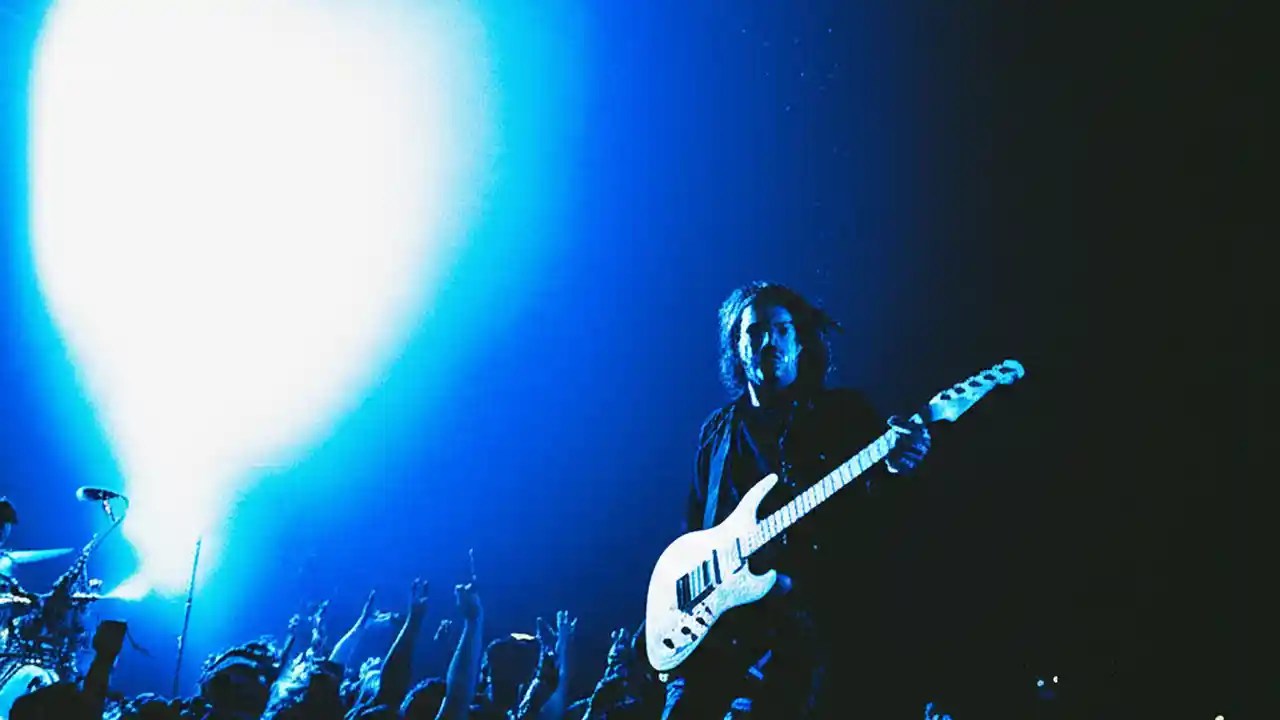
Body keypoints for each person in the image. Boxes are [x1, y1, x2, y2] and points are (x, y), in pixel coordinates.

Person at [660, 281, 932, 720]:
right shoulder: (716, 434)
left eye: (782, 329)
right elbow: (693, 533)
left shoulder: (843, 415)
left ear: (801, 342)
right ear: (737, 345)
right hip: (719, 632)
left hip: (806, 632)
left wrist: (900, 467)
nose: (769, 342)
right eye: (754, 332)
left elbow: (888, 518)